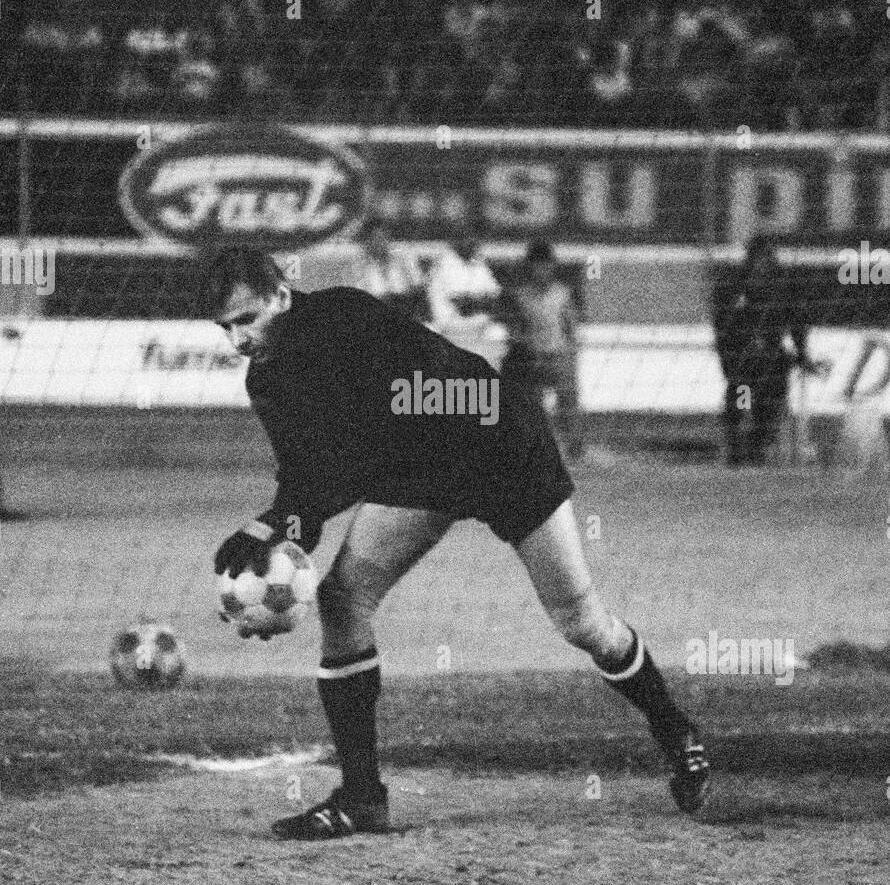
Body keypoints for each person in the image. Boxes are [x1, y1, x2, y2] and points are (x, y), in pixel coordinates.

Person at [207, 248, 710, 841]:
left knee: (582, 623)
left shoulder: (344, 321)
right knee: (343, 601)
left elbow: (351, 460)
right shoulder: (267, 379)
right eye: (226, 327)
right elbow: (304, 477)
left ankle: (676, 732)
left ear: (281, 296)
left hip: (499, 444)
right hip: (425, 466)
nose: (238, 338)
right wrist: (282, 541)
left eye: (246, 319)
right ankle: (362, 798)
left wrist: (277, 523)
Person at [712, 236, 823, 466]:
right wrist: (729, 360)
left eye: (767, 258)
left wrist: (802, 356)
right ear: (750, 260)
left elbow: (797, 324)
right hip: (743, 368)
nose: (763, 264)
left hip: (772, 365)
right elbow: (722, 327)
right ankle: (736, 451)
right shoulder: (734, 288)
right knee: (741, 404)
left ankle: (756, 450)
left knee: (768, 412)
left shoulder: (782, 289)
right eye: (759, 258)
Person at [501, 238, 584, 461]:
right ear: (529, 267)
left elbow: (571, 326)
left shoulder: (562, 293)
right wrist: (523, 347)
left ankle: (575, 449)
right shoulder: (521, 295)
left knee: (568, 401)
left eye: (546, 265)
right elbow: (514, 329)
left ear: (552, 266)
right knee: (531, 407)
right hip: (531, 357)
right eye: (537, 265)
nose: (542, 270)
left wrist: (571, 353)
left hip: (558, 355)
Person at [426, 234, 502, 357]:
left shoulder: (479, 264)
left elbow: (497, 300)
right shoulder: (446, 262)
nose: (472, 240)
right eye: (465, 236)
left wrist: (475, 300)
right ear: (455, 240)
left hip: (479, 331)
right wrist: (482, 300)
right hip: (450, 333)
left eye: (474, 235)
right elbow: (463, 307)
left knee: (499, 333)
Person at [352, 216, 428, 321]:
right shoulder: (360, 267)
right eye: (375, 239)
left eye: (383, 238)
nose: (380, 243)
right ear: (366, 242)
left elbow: (420, 291)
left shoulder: (404, 258)